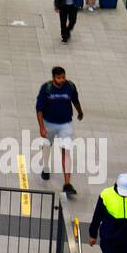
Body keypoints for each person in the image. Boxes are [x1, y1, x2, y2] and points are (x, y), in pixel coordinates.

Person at [36, 66, 84, 195]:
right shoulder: (46, 89)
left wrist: (80, 112)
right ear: (53, 78)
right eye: (58, 78)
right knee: (47, 146)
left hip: (66, 124)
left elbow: (75, 100)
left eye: (63, 77)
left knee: (66, 151)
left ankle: (67, 184)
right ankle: (45, 168)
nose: (61, 80)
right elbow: (39, 109)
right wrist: (41, 127)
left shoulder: (70, 86)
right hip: (49, 124)